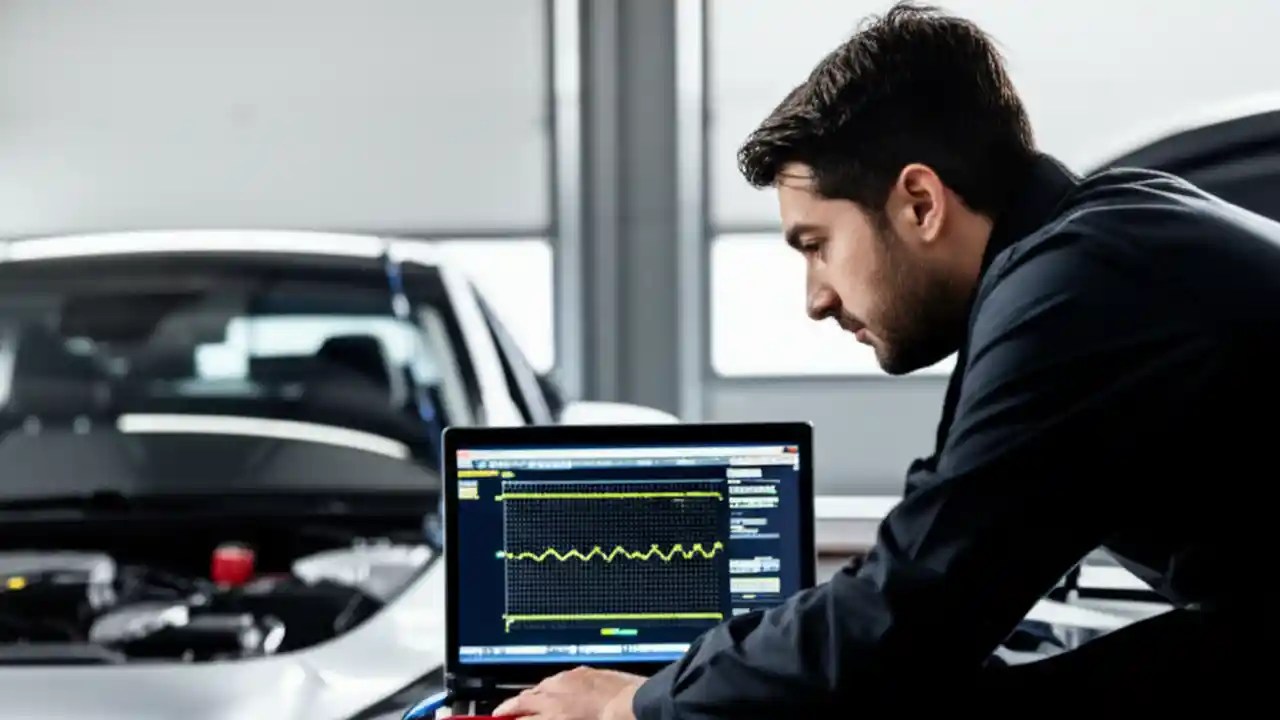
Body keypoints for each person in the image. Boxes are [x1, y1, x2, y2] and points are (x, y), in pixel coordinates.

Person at [496, 3, 1277, 718]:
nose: (816, 299)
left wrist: (631, 707)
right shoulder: (1109, 237)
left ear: (920, 204)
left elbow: (908, 611)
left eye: (817, 246)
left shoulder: (1076, 289)